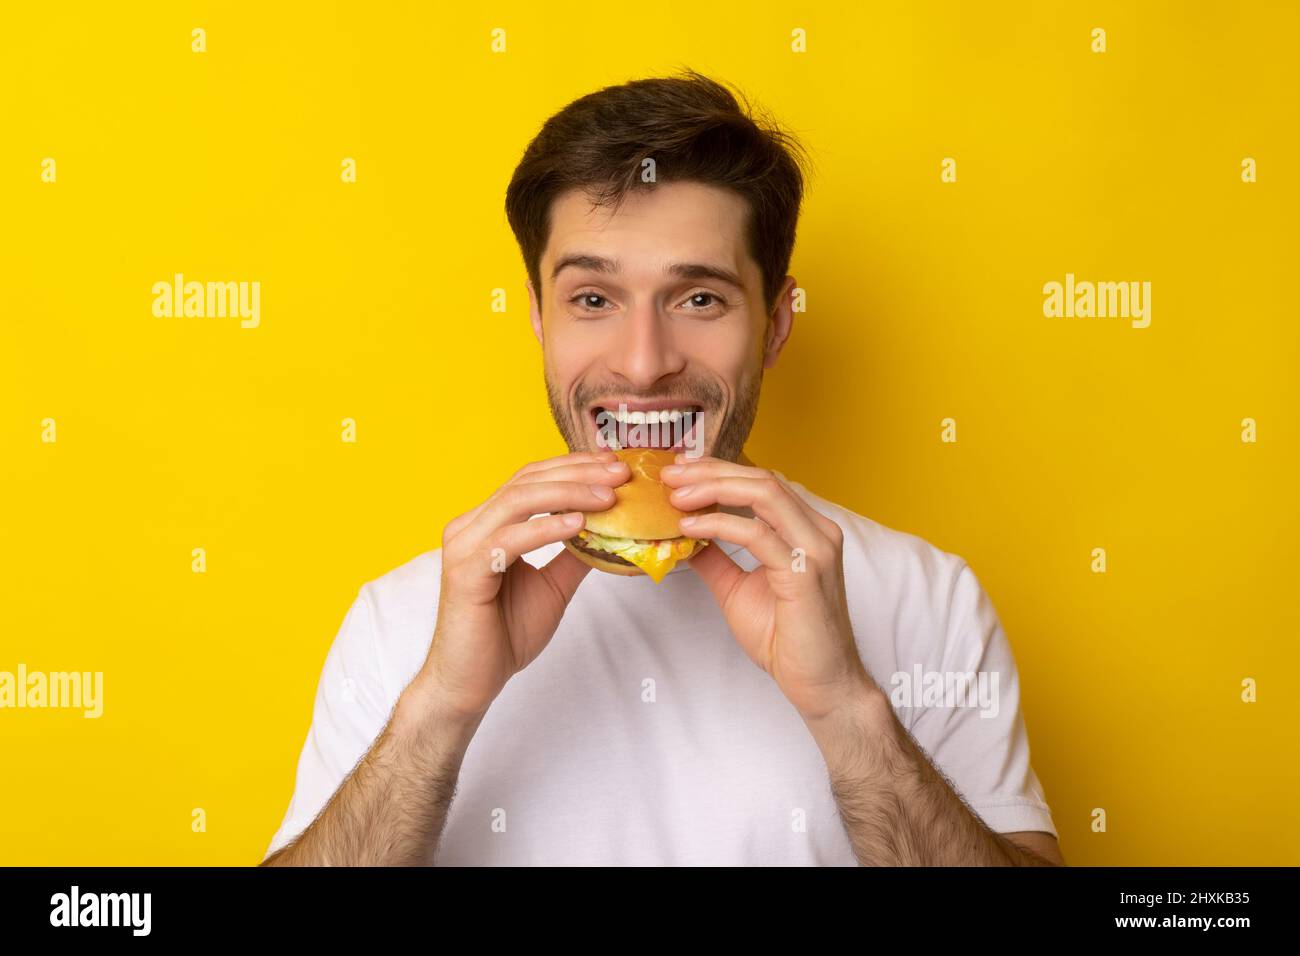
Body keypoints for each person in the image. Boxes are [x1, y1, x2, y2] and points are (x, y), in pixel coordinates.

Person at [262, 70, 1062, 866]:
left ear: (776, 325)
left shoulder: (929, 599)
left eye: (699, 300)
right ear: (540, 319)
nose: (644, 366)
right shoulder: (402, 623)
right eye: (593, 300)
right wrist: (440, 707)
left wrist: (849, 715)